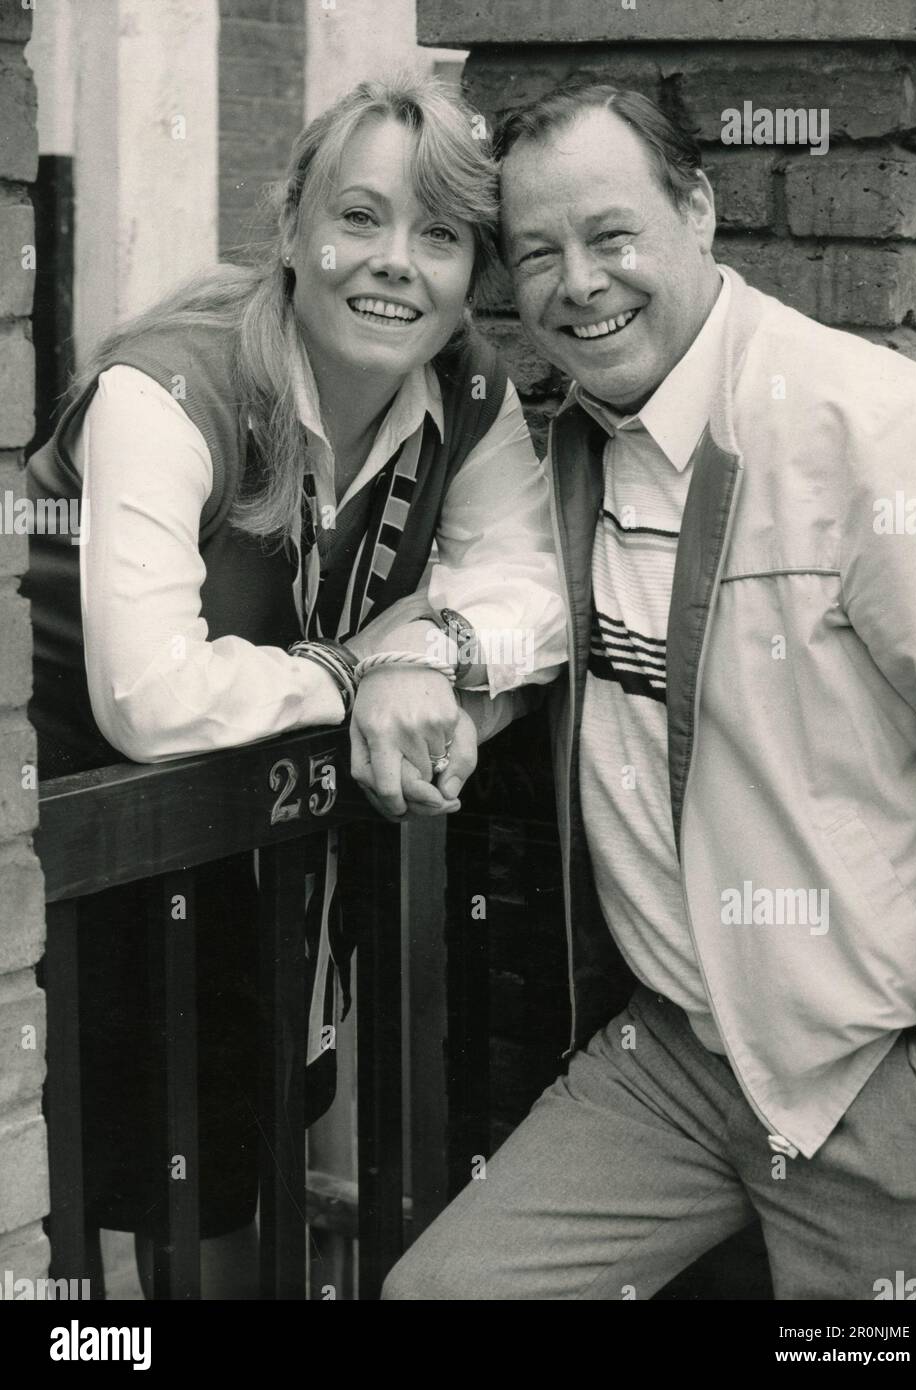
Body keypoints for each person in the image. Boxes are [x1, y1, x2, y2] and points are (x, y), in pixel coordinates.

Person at [383, 82, 916, 1301]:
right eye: (537, 252)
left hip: (874, 1079)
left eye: (612, 235)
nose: (578, 282)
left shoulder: (880, 434)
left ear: (699, 210)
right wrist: (415, 658)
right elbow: (524, 608)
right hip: (678, 1059)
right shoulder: (587, 440)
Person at [24, 74, 564, 1297]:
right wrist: (362, 663)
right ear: (289, 233)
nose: (394, 264)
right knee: (65, 1215)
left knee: (226, 1174)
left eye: (438, 235)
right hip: (66, 846)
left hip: (240, 860)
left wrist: (430, 651)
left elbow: (535, 590)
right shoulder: (164, 388)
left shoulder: (468, 392)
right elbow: (151, 695)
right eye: (359, 217)